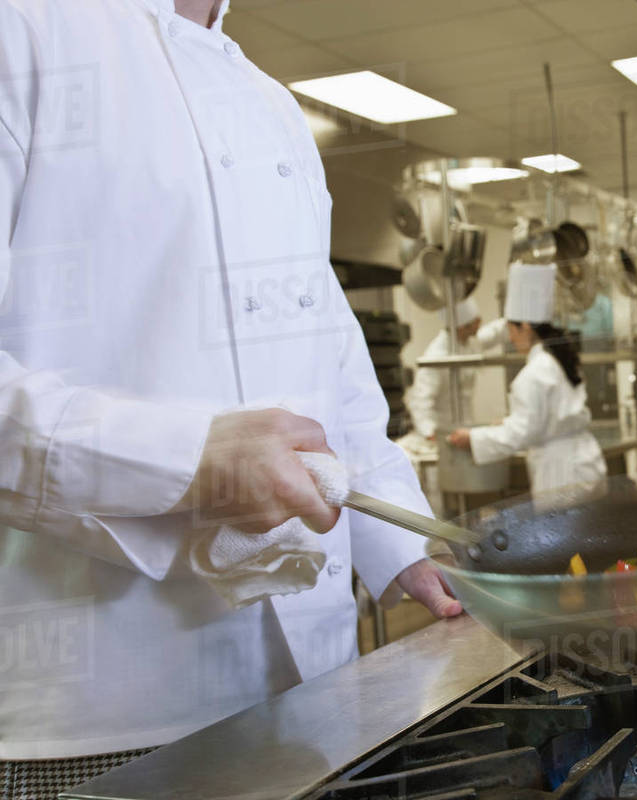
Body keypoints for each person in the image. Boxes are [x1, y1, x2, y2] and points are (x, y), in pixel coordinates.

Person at [0, 0, 458, 793]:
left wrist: (406, 549)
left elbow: (334, 367)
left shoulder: (274, 106)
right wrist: (186, 461)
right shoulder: (25, 28)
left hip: (317, 681)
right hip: (107, 709)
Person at [447, 264, 607, 500]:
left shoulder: (533, 373)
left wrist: (473, 438)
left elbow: (520, 433)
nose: (511, 338)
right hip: (586, 463)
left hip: (561, 476)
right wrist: (509, 421)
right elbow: (547, 415)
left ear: (525, 327)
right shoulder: (559, 360)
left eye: (512, 330)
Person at [406, 297, 507, 440]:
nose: (480, 322)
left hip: (466, 428)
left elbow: (495, 332)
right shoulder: (436, 356)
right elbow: (420, 402)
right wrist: (431, 433)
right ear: (461, 327)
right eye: (475, 321)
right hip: (444, 432)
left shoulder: (469, 341)